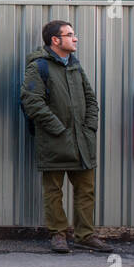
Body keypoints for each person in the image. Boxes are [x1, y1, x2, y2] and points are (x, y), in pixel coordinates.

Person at [20, 20, 111, 253]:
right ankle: (58, 234)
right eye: (70, 35)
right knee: (53, 191)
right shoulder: (38, 67)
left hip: (83, 141)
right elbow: (32, 102)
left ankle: (85, 235)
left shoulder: (75, 66)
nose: (75, 38)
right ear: (55, 40)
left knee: (86, 190)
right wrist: (59, 129)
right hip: (53, 141)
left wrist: (90, 126)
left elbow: (91, 100)